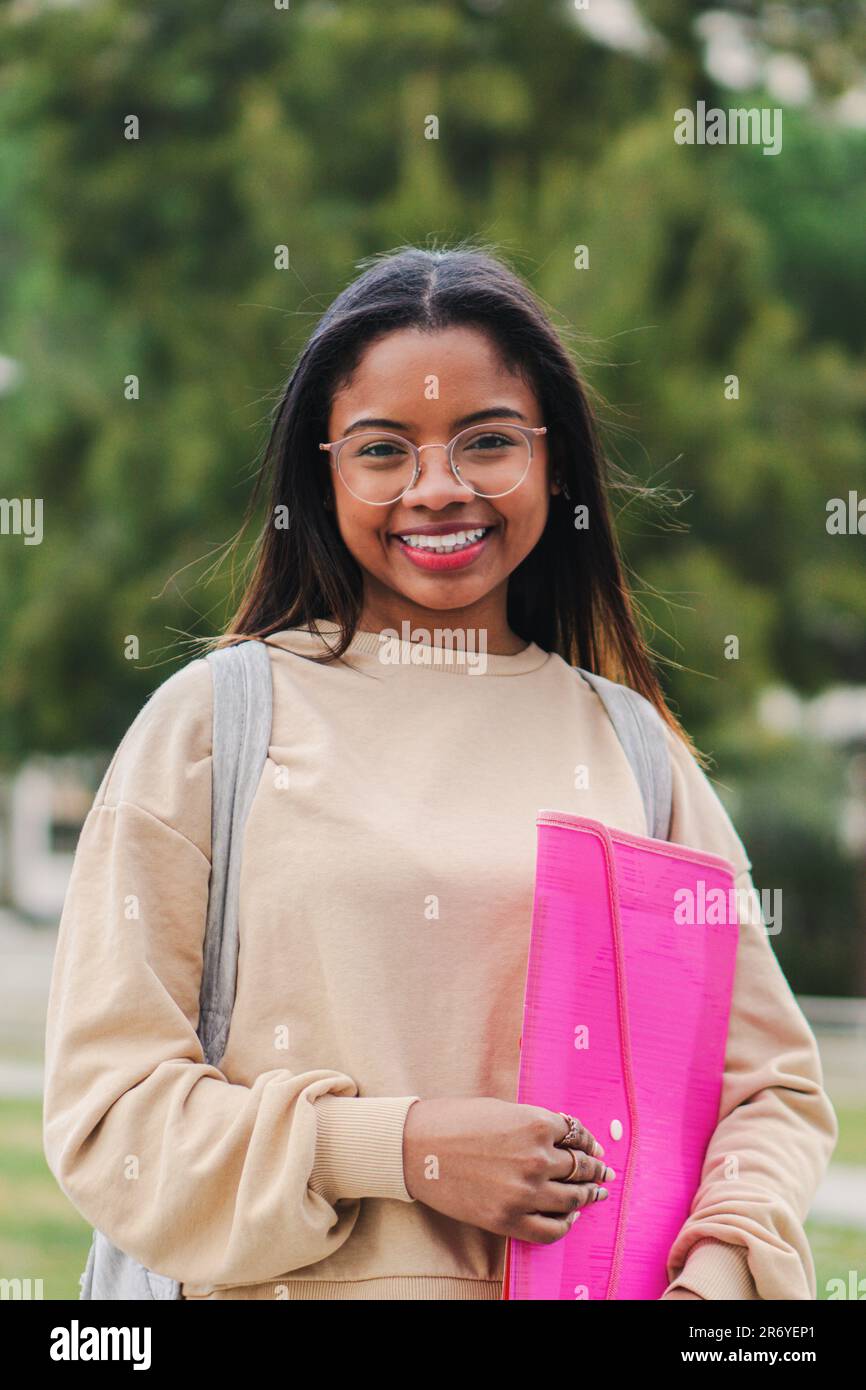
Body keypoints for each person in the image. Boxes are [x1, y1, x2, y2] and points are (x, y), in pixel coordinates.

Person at [42, 245, 837, 1301]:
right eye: (382, 451)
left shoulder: (631, 749)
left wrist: (721, 1276)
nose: (437, 488)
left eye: (487, 441)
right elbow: (108, 1114)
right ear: (321, 475)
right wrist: (401, 1147)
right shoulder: (213, 727)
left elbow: (767, 1088)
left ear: (551, 461)